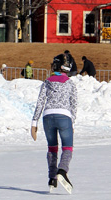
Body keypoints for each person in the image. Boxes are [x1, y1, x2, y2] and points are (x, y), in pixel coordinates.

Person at [31, 55, 78, 192]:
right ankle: (62, 170)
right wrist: (72, 122)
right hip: (64, 117)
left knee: (52, 148)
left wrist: (34, 123)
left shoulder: (46, 82)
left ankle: (52, 177)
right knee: (67, 147)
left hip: (48, 117)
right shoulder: (70, 83)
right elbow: (74, 104)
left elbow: (40, 102)